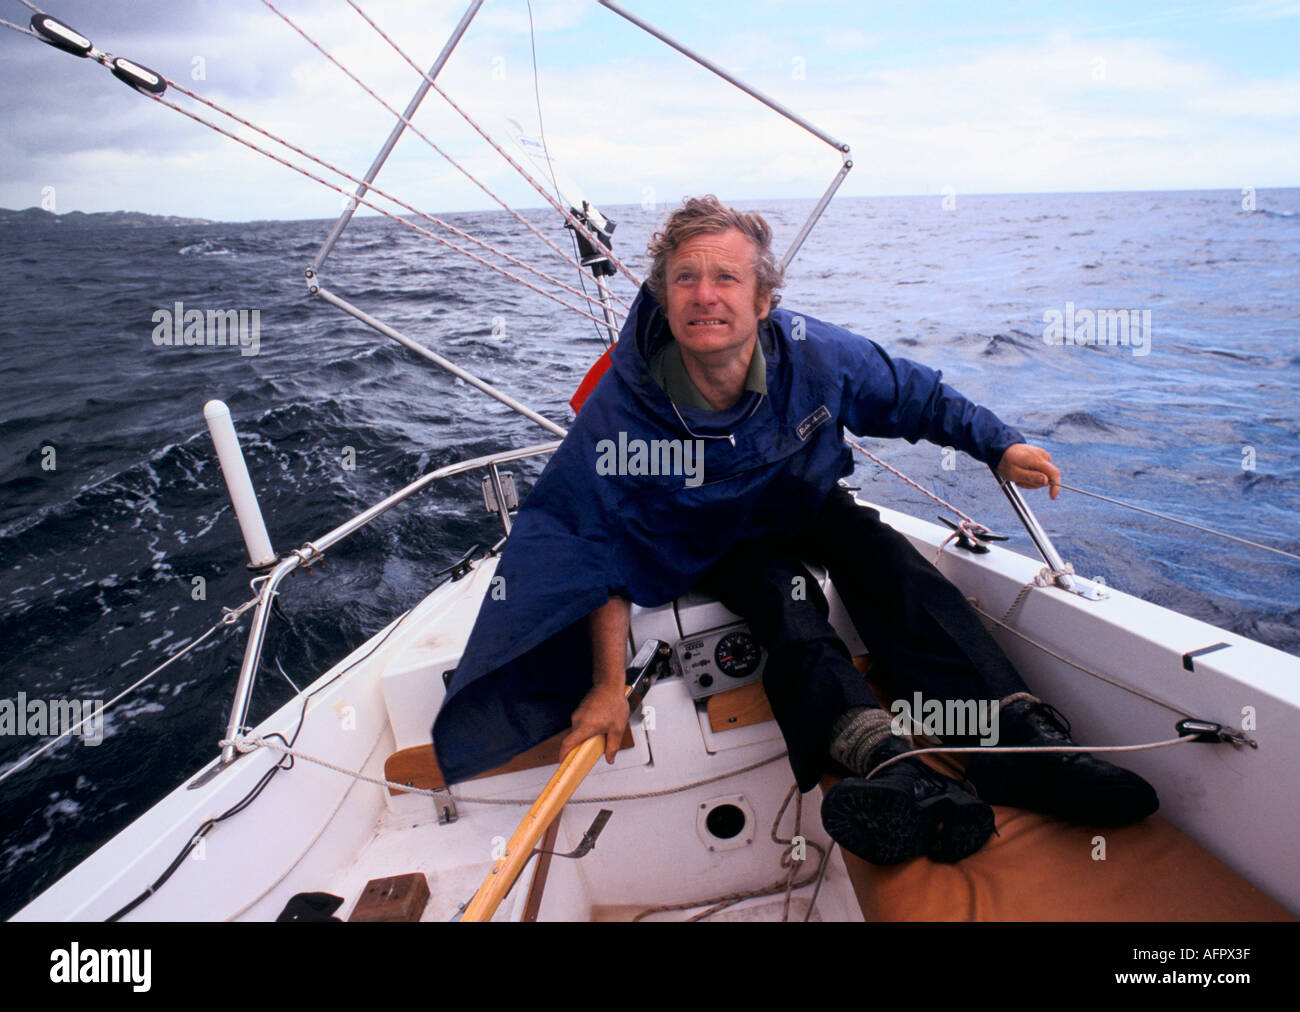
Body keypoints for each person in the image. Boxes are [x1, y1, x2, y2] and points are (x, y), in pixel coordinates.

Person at [432, 195, 1157, 864]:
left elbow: (914, 396)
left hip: (804, 498)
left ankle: (1019, 746)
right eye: (685, 278)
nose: (705, 295)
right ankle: (888, 769)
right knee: (785, 603)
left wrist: (999, 443)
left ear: (764, 300)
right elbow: (587, 538)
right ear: (662, 295)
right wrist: (605, 683)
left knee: (889, 564)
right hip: (712, 539)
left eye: (725, 278)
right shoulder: (625, 410)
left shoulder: (815, 354)